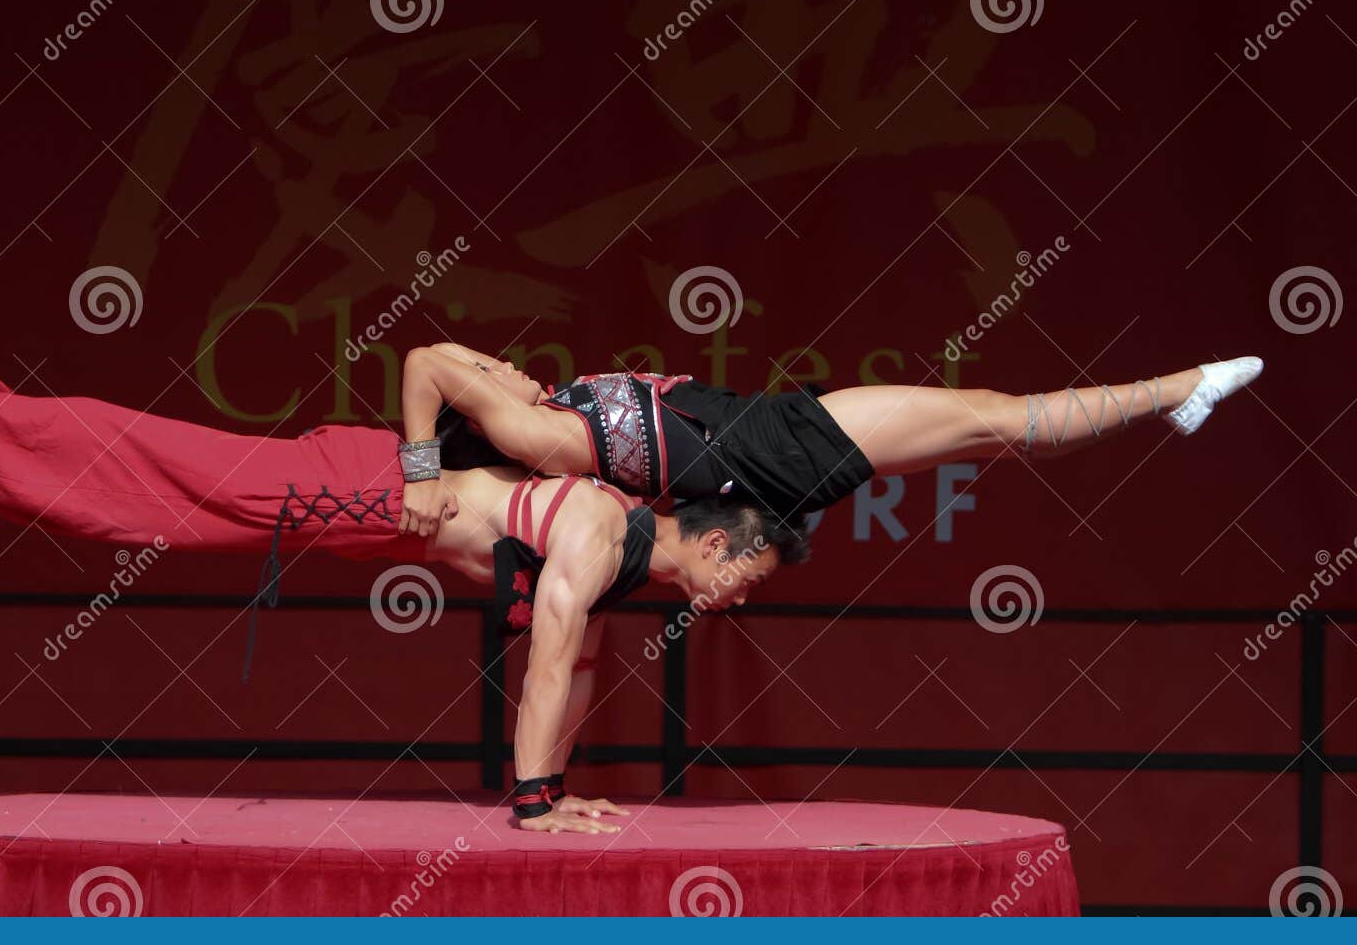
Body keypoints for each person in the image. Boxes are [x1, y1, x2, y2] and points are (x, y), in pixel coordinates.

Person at [0, 365, 808, 835]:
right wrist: (531, 804)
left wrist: (558, 789)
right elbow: (548, 662)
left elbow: (581, 670)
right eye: (745, 578)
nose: (736, 598)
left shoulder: (626, 540)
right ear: (719, 542)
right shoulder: (604, 532)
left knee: (148, 508)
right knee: (152, 469)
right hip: (360, 488)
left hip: (362, 510)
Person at [398, 343, 1264, 535]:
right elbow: (424, 360)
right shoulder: (526, 425)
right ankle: (1180, 387)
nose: (502, 361)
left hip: (774, 450)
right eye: (491, 365)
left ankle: (1167, 405)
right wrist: (419, 476)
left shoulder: (547, 412)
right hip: (779, 443)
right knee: (999, 414)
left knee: (1000, 434)